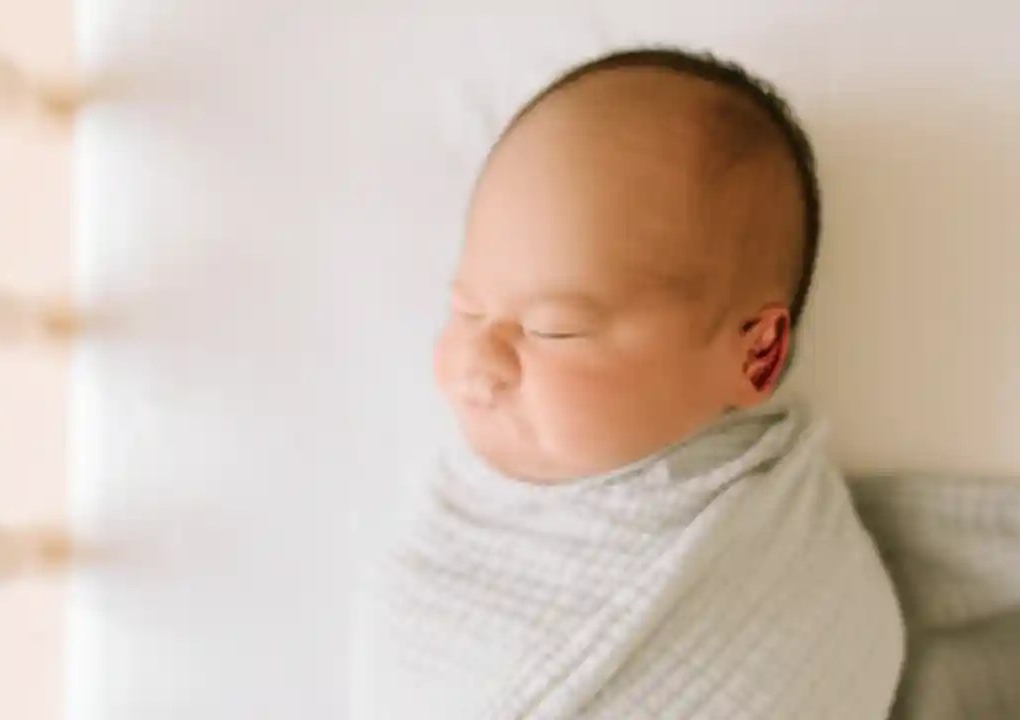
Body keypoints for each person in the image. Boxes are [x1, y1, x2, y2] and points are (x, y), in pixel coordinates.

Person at [353, 47, 904, 719]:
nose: (477, 361)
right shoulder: (463, 511)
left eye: (554, 328)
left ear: (756, 355)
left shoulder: (796, 570)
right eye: (465, 309)